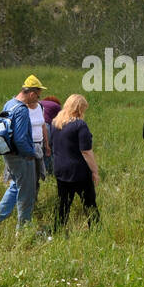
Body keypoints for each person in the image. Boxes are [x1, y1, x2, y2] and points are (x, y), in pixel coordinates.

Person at [0, 75, 46, 231]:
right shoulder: (22, 110)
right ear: (32, 94)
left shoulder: (10, 103)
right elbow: (20, 139)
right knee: (27, 192)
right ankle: (24, 228)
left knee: (15, 186)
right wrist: (30, 153)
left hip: (8, 153)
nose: (38, 99)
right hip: (20, 156)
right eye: (38, 96)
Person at [51, 94, 100, 231]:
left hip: (60, 170)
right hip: (78, 172)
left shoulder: (55, 123)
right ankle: (96, 230)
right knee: (89, 203)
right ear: (80, 108)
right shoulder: (80, 125)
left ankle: (58, 230)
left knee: (62, 204)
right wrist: (95, 171)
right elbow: (86, 152)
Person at [39, 95, 62, 177]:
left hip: (34, 127)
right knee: (48, 151)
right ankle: (49, 173)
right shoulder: (57, 106)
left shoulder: (39, 103)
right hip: (46, 126)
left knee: (38, 151)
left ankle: (37, 173)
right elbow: (61, 121)